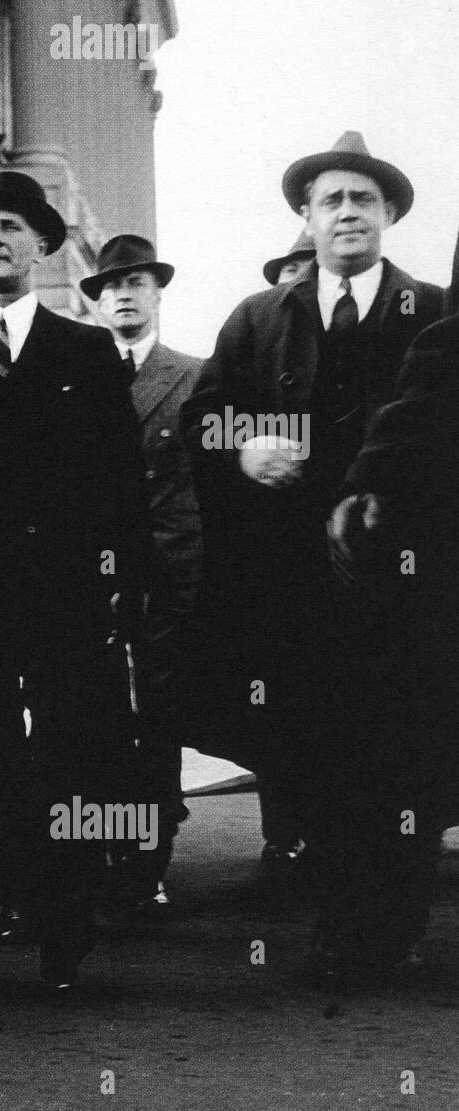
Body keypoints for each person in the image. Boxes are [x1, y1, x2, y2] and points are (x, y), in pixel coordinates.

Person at [180, 132, 443, 980]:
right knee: (319, 754)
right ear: (306, 216)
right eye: (331, 200)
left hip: (405, 585)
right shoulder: (260, 320)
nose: (347, 213)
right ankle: (337, 921)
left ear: (390, 215)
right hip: (296, 585)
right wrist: (245, 449)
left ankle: (396, 923)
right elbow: (203, 421)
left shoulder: (435, 311)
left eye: (364, 200)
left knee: (406, 755)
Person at [0, 171, 150, 989]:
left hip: (68, 588)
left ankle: (68, 904)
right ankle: (13, 885)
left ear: (42, 247)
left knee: (71, 740)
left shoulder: (84, 351)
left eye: (12, 226)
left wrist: (125, 575)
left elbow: (123, 478)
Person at [326, 298, 459, 976]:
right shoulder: (445, 342)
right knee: (413, 769)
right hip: (437, 599)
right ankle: (381, 931)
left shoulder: (440, 339)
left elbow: (387, 459)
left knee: (411, 772)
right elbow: (393, 451)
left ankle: (384, 932)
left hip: (431, 599)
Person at [82, 234, 202, 915]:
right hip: (91, 574)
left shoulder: (194, 375)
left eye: (137, 282)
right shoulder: (72, 375)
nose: (124, 293)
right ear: (96, 301)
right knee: (95, 716)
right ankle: (104, 844)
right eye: (111, 285)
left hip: (168, 573)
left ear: (158, 293)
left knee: (157, 717)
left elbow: (208, 485)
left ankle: (149, 858)